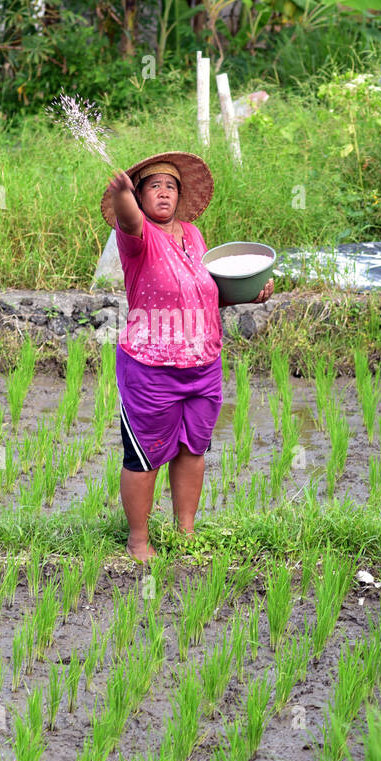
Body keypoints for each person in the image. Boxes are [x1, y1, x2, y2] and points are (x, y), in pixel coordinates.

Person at [101, 151, 274, 563]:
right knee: (144, 454)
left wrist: (251, 294)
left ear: (180, 196)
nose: (163, 193)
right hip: (151, 365)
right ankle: (139, 540)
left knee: (192, 449)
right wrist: (123, 193)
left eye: (171, 186)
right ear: (140, 196)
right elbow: (126, 218)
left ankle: (186, 531)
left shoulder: (194, 236)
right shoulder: (138, 236)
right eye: (153, 186)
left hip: (202, 363)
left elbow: (205, 293)